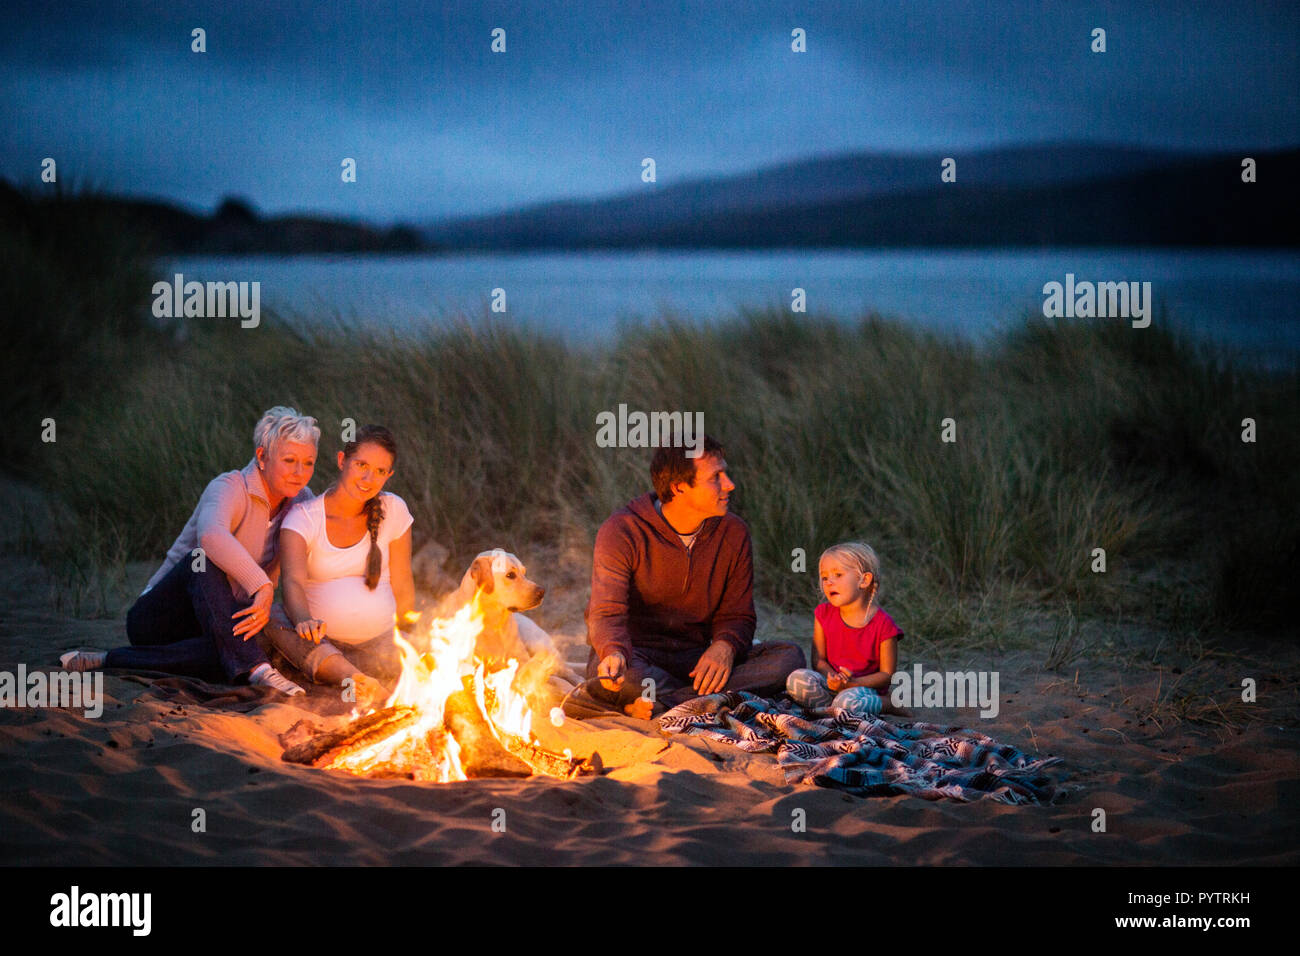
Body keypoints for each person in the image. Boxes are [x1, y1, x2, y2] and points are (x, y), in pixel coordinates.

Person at [60, 407, 319, 695]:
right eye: (289, 460)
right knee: (203, 560)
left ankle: (109, 659)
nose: (299, 472)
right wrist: (261, 584)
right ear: (262, 457)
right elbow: (210, 535)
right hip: (159, 618)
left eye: (308, 463)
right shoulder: (230, 486)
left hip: (220, 624)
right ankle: (258, 670)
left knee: (240, 650)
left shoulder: (302, 503)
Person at [584, 436, 805, 718]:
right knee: (617, 677)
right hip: (637, 655)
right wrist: (613, 652)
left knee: (789, 658)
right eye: (716, 477)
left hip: (696, 659)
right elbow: (606, 612)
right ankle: (696, 700)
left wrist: (725, 646)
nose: (729, 484)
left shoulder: (734, 533)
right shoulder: (621, 531)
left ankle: (665, 702)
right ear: (679, 488)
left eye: (725, 473)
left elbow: (738, 615)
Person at [260, 425, 414, 706]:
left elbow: (403, 581)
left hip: (381, 646)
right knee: (272, 618)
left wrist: (406, 633)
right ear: (342, 460)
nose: (369, 478)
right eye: (361, 465)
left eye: (381, 471)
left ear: (389, 475)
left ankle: (364, 677)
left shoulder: (394, 510)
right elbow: (292, 582)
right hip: (323, 647)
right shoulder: (304, 518)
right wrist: (304, 619)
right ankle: (357, 680)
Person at [785, 542, 905, 717]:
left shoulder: (884, 624)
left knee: (847, 703)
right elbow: (818, 661)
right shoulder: (823, 614)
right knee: (796, 679)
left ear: (864, 580)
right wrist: (834, 679)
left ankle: (888, 704)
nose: (829, 582)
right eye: (824, 578)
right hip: (832, 684)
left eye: (838, 575)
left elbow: (887, 675)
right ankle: (832, 708)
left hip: (862, 689)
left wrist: (852, 683)